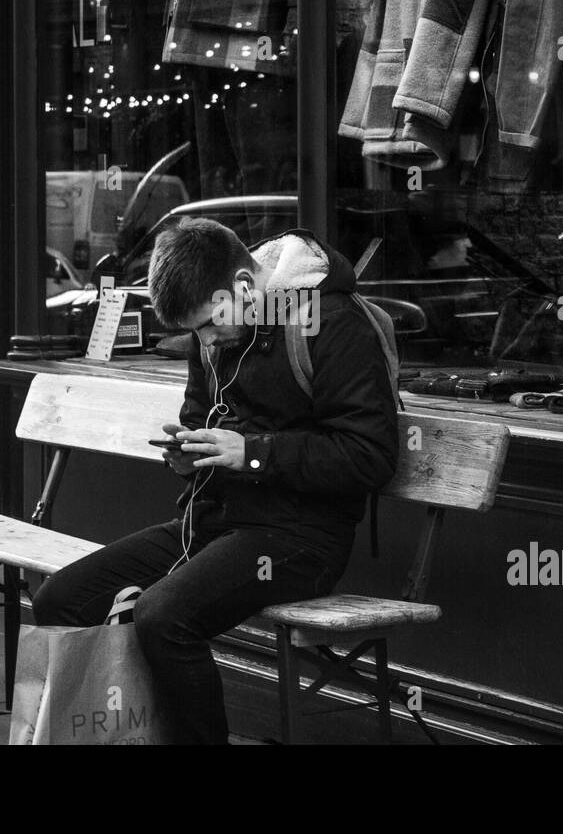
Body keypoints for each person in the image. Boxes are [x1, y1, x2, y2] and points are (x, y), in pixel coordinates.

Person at [31, 217, 400, 744]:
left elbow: (371, 456)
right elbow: (199, 415)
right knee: (61, 599)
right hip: (210, 522)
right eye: (196, 332)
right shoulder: (217, 330)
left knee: (162, 616)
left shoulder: (333, 322)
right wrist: (186, 455)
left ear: (245, 287)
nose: (206, 339)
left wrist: (253, 455)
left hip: (301, 540)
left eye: (208, 324)